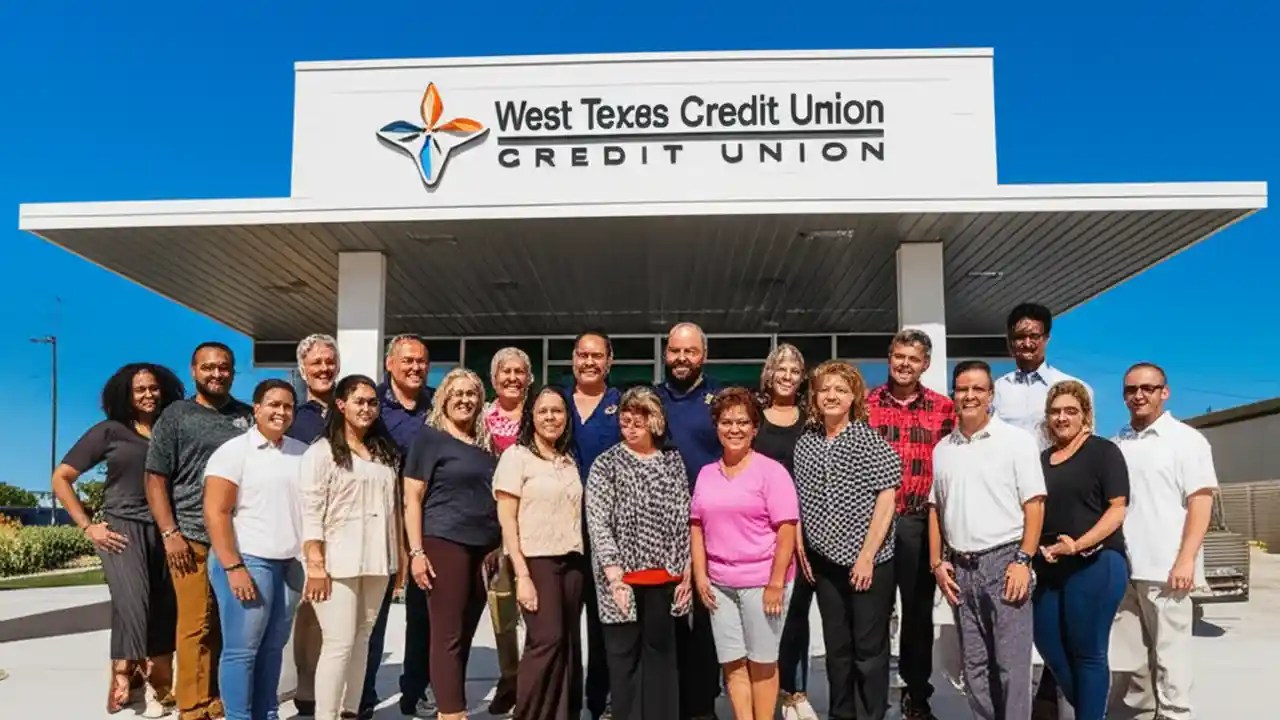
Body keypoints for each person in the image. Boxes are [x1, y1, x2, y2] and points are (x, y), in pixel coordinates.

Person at [53, 362, 185, 716]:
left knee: (163, 608)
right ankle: (128, 673)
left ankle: (156, 684)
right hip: (121, 530)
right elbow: (61, 478)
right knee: (132, 602)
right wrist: (87, 525)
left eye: (153, 388)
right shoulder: (110, 431)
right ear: (126, 395)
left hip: (166, 530)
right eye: (139, 389)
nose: (147, 395)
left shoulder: (170, 431)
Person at [929, 360, 1046, 720]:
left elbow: (1035, 504)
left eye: (978, 389)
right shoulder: (943, 448)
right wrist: (937, 563)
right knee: (975, 667)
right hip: (961, 569)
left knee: (1012, 666)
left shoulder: (1016, 442)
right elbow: (936, 508)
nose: (969, 395)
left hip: (1005, 563)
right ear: (954, 394)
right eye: (962, 388)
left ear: (991, 395)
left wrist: (1023, 561)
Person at [145, 342, 254, 720]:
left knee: (229, 622)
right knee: (195, 623)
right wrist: (169, 531)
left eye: (224, 367)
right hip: (189, 533)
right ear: (194, 371)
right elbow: (156, 479)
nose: (217, 373)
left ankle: (217, 697)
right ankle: (191, 706)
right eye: (208, 367)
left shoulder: (247, 417)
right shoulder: (175, 416)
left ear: (233, 371)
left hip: (237, 536)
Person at [793, 361, 901, 720]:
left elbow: (887, 497)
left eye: (840, 389)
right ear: (814, 396)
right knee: (837, 650)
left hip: (868, 562)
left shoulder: (868, 439)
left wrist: (867, 556)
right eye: (825, 389)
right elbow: (799, 500)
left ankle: (871, 715)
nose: (831, 396)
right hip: (825, 563)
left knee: (868, 651)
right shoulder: (806, 444)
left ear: (854, 396)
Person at [1108, 363, 1217, 720]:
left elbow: (1201, 503)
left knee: (1171, 661)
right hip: (1124, 568)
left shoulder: (1186, 440)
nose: (1138, 395)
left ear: (1164, 392)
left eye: (1147, 388)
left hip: (1166, 570)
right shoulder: (1117, 443)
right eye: (1130, 390)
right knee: (1131, 664)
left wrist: (1186, 560)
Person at [297, 375, 402, 720]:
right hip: (335, 565)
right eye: (359, 401)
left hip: (376, 561)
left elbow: (394, 511)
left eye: (372, 402)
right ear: (341, 405)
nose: (367, 408)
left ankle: (350, 711)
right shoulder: (321, 452)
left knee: (362, 642)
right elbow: (310, 510)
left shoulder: (383, 454)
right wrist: (315, 564)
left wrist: (398, 561)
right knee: (339, 644)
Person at [690, 387, 799, 720]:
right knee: (733, 662)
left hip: (763, 583)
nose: (734, 429)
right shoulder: (707, 474)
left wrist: (776, 583)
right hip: (720, 586)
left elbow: (787, 529)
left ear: (755, 428)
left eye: (742, 422)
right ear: (717, 427)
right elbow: (697, 525)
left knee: (762, 663)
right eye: (726, 422)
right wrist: (700, 574)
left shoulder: (772, 472)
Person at [585, 386, 693, 720]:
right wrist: (614, 576)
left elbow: (683, 517)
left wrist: (687, 570)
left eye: (638, 422)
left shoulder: (672, 461)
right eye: (625, 421)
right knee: (624, 663)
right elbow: (598, 523)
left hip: (665, 580)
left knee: (661, 662)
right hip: (622, 583)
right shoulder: (607, 465)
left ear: (655, 423)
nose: (630, 428)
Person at [203, 379, 307, 720]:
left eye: (288, 406)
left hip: (288, 564)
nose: (281, 411)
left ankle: (267, 712)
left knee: (273, 649)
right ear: (257, 409)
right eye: (273, 404)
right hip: (247, 560)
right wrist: (234, 568)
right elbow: (216, 512)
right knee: (241, 651)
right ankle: (238, 716)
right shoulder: (234, 452)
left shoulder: (301, 452)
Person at [866, 329, 955, 720]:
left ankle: (916, 696)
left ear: (926, 365)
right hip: (872, 524)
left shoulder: (944, 409)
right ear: (889, 358)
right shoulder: (865, 405)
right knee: (873, 612)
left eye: (913, 359)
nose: (904, 364)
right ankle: (870, 697)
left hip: (920, 522)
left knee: (917, 616)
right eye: (898, 356)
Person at [403, 368, 500, 720]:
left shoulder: (484, 444)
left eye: (471, 393)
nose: (464, 399)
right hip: (445, 542)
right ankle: (451, 712)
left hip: (483, 548)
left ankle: (451, 702)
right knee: (447, 634)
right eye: (457, 393)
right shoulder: (429, 439)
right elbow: (412, 497)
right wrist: (416, 552)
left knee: (465, 633)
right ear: (444, 397)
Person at [1033, 381, 1129, 720]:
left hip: (1096, 562)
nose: (1062, 417)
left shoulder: (1104, 452)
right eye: (1055, 411)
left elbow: (1117, 509)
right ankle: (1093, 711)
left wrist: (1079, 544)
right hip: (1049, 567)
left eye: (1070, 411)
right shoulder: (1041, 460)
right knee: (1050, 647)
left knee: (1088, 653)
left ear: (1085, 415)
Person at [494, 386, 585, 720]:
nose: (551, 417)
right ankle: (528, 713)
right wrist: (522, 575)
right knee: (546, 640)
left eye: (557, 411)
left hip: (573, 561)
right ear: (531, 416)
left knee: (568, 645)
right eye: (543, 411)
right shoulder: (517, 457)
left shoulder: (568, 460)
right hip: (536, 560)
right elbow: (507, 520)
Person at [654, 321, 723, 720]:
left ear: (703, 355)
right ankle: (671, 702)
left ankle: (702, 705)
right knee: (669, 619)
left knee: (707, 617)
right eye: (675, 351)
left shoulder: (719, 399)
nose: (682, 359)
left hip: (711, 526)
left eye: (690, 351)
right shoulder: (652, 399)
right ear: (666, 353)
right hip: (663, 527)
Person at [752, 345, 816, 720]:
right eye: (781, 368)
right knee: (761, 614)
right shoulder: (754, 417)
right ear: (770, 373)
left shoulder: (811, 418)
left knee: (795, 616)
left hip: (801, 532)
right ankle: (764, 690)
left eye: (795, 370)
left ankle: (793, 691)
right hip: (758, 531)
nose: (788, 376)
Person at [564, 330, 623, 720]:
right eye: (583, 355)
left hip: (608, 535)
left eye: (597, 355)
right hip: (563, 534)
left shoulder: (621, 405)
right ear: (573, 358)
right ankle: (566, 703)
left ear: (609, 361)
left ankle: (602, 701)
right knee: (564, 623)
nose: (589, 362)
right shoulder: (555, 402)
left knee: (606, 624)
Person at [378, 334, 437, 719]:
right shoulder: (373, 404)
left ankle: (415, 690)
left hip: (426, 520)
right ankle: (360, 694)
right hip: (380, 519)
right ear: (390, 364)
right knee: (372, 610)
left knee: (422, 612)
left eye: (421, 361)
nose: (415, 367)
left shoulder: (437, 403)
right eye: (407, 360)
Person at [286, 333, 340, 717]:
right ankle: (306, 685)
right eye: (316, 363)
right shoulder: (292, 417)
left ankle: (337, 685)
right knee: (309, 612)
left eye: (329, 362)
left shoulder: (349, 409)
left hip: (347, 525)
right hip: (306, 526)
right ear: (303, 369)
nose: (324, 368)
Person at [481, 347, 532, 715]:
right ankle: (509, 675)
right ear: (494, 378)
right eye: (505, 372)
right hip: (490, 527)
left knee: (534, 605)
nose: (512, 378)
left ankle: (532, 679)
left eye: (519, 371)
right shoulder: (481, 417)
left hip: (533, 526)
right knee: (501, 607)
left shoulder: (540, 414)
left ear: (529, 377)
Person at [993, 302, 1092, 445]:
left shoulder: (1074, 388)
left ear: (1047, 338)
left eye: (1034, 336)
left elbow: (1087, 440)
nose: (1027, 343)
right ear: (1010, 341)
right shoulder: (998, 389)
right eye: (1020, 337)